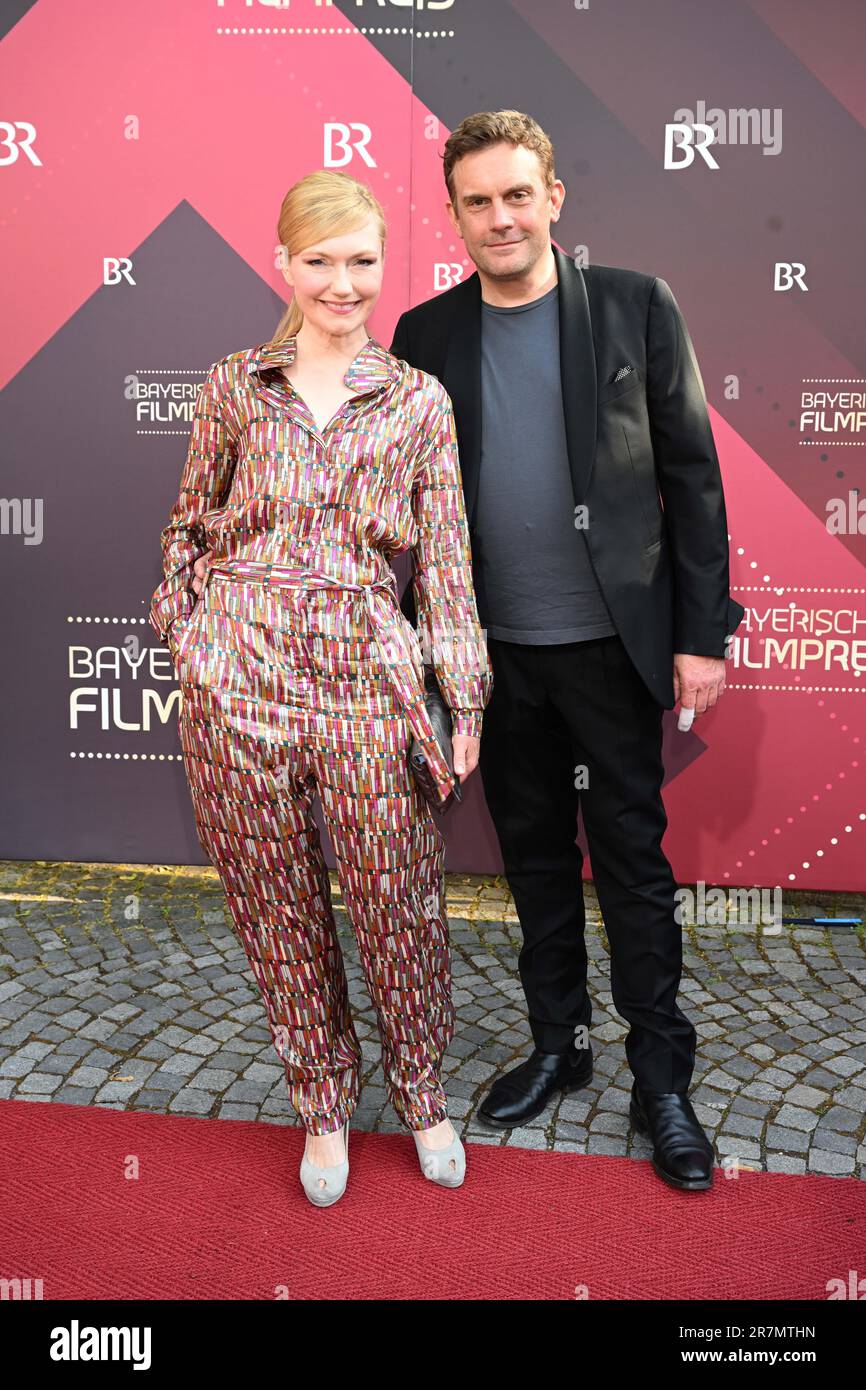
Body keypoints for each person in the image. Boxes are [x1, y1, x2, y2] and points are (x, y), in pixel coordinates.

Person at [390, 110, 745, 1193]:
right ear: (451, 215)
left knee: (630, 865)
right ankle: (558, 1045)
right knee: (534, 862)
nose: (498, 218)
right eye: (475, 202)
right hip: (491, 657)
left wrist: (699, 634)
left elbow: (690, 476)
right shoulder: (423, 332)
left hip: (610, 649)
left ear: (552, 198)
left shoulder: (634, 305)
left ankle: (660, 1076)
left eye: (514, 194)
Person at [149, 169, 492, 1207]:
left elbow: (442, 557)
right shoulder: (229, 387)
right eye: (321, 261)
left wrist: (462, 693)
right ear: (282, 264)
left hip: (362, 674)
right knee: (273, 902)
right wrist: (188, 631)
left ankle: (422, 1095)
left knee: (397, 897)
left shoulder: (417, 398)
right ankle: (322, 1104)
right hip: (235, 676)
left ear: (385, 266)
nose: (343, 283)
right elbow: (186, 524)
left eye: (361, 261)